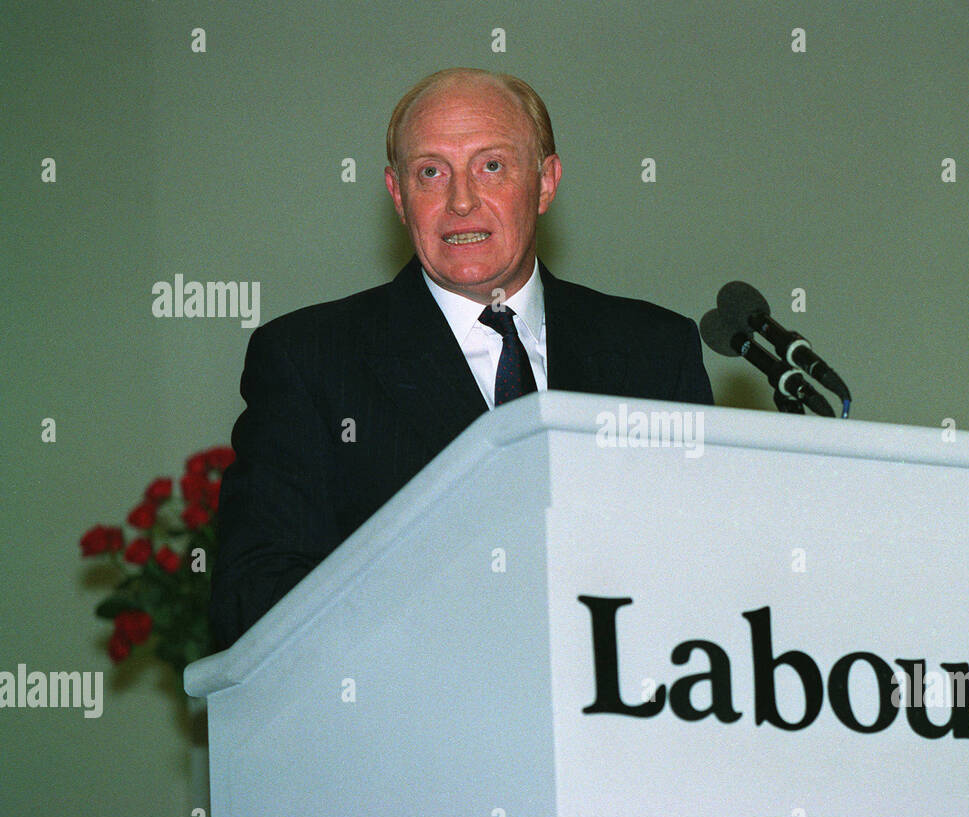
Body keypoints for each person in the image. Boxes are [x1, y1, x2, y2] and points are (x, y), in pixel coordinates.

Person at [208, 68, 713, 652]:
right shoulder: (311, 359)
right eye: (431, 173)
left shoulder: (653, 351)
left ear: (546, 183)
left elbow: (708, 562)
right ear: (399, 196)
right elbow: (254, 597)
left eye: (492, 166)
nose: (461, 200)